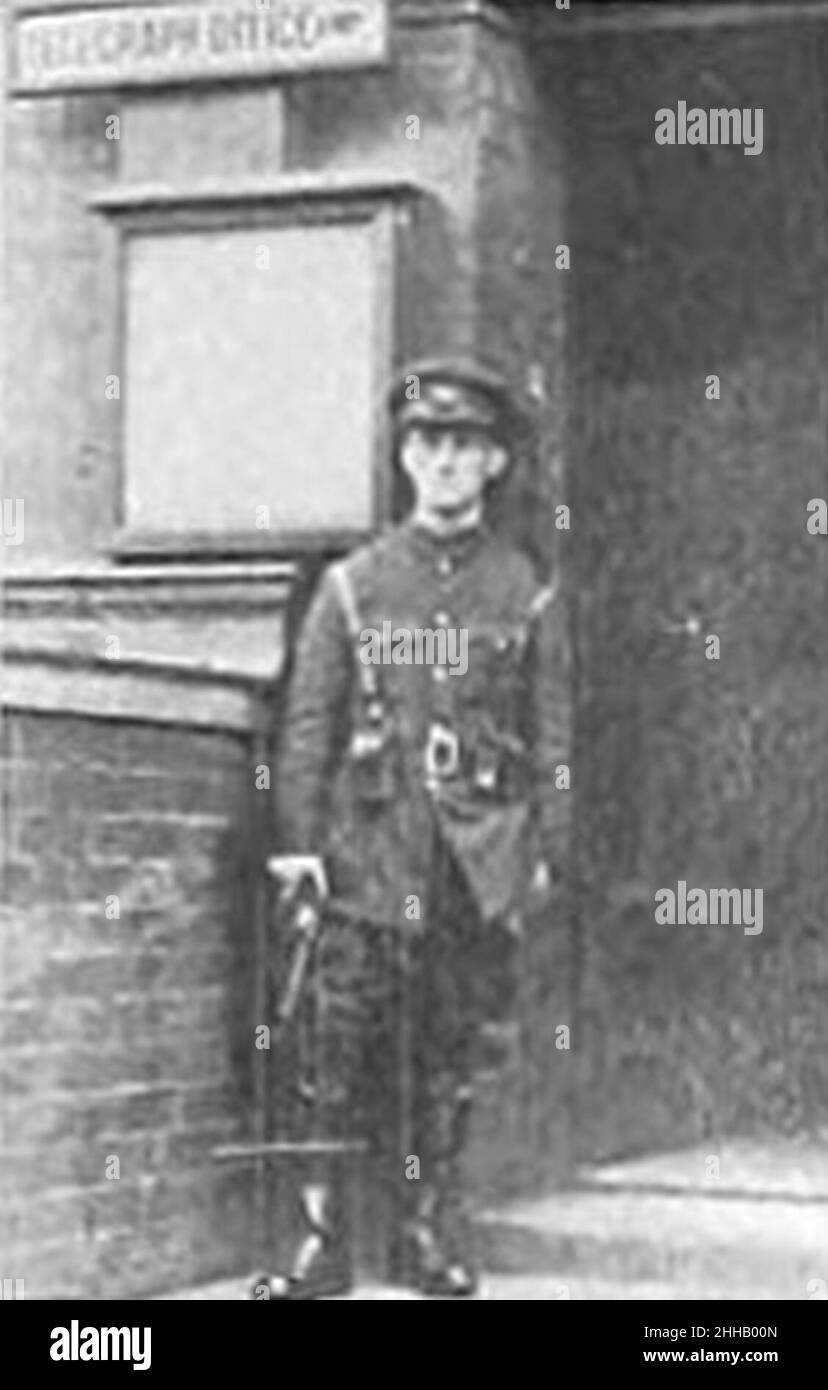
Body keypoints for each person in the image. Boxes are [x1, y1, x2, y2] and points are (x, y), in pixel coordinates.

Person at [267, 356, 570, 1298]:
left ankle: (426, 1232)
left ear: (493, 466)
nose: (444, 463)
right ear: (404, 458)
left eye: (465, 446)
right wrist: (297, 844)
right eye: (427, 444)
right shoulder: (354, 587)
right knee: (335, 1042)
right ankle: (319, 1243)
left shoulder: (526, 590)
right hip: (367, 848)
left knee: (448, 1048)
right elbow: (309, 724)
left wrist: (546, 849)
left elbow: (553, 732)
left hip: (472, 858)